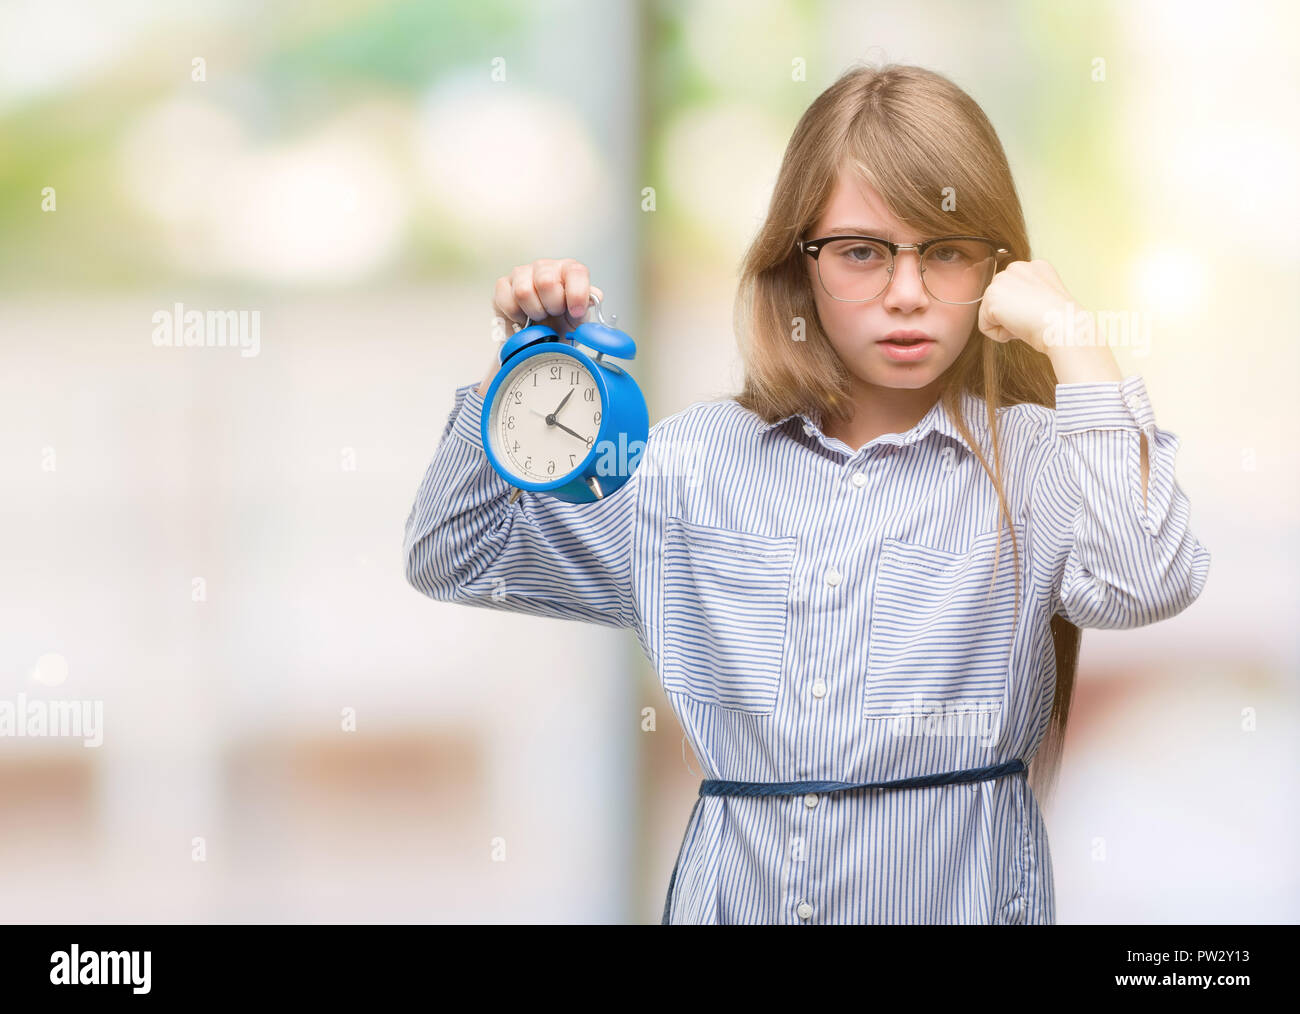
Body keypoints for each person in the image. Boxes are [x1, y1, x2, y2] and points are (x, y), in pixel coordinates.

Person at [403, 62, 1211, 924]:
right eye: (861, 253)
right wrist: (520, 366)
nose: (907, 295)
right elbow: (456, 553)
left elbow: (1147, 579)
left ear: (997, 268)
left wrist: (1076, 341)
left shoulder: (1039, 462)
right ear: (798, 264)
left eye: (945, 253)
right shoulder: (694, 462)